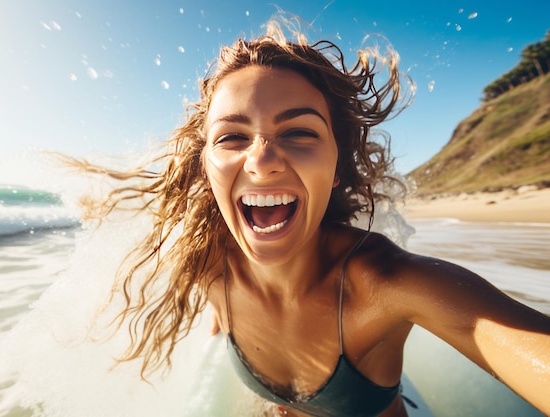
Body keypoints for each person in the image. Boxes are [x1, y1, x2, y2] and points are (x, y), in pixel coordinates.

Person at [70, 17, 550, 417]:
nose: (261, 160)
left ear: (338, 166)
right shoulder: (205, 264)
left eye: (299, 132)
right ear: (207, 171)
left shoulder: (384, 286)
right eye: (232, 138)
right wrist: (221, 311)